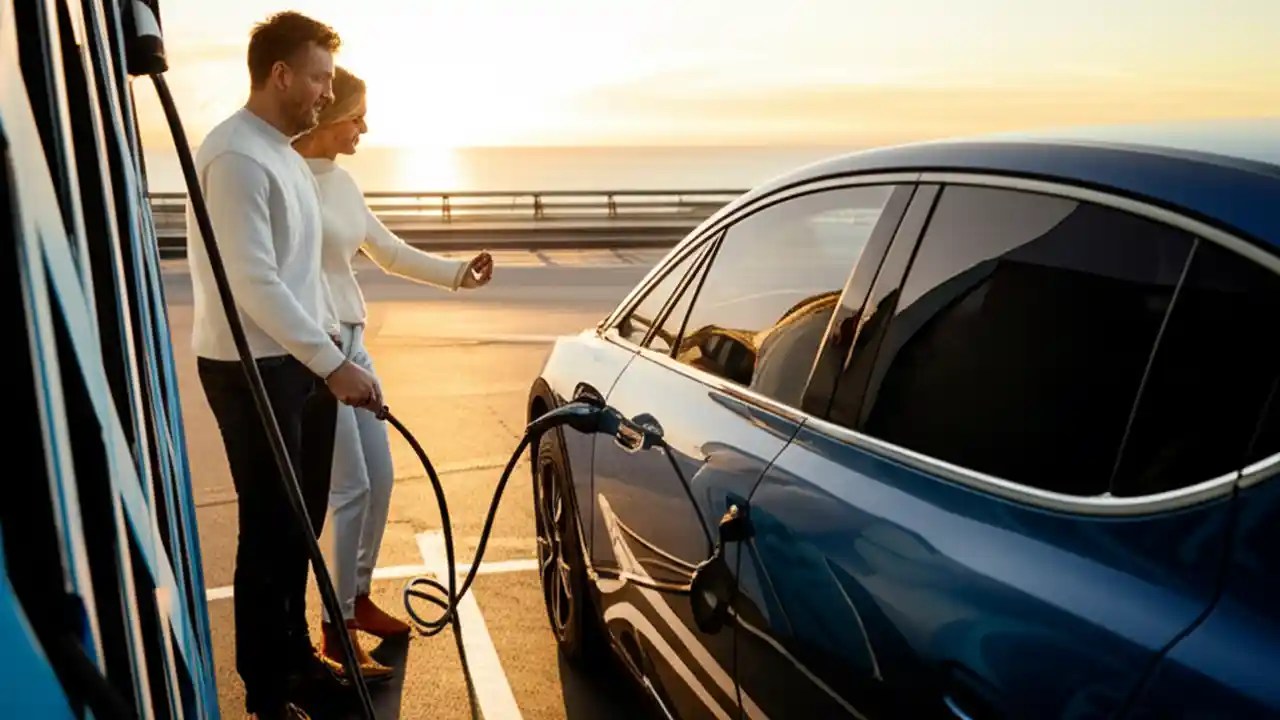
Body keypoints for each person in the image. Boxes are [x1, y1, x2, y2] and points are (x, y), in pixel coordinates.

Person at [187, 12, 381, 720]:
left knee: (299, 522)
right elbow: (255, 284)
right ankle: (266, 690)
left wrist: (332, 353)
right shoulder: (236, 156)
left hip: (298, 363)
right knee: (269, 527)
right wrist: (333, 363)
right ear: (281, 75)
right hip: (253, 371)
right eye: (321, 78)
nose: (328, 94)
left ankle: (294, 657)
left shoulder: (283, 152)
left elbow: (300, 276)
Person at [291, 66, 494, 678]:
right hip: (320, 353)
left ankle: (356, 598)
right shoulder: (287, 178)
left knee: (379, 480)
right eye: (357, 117)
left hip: (357, 343)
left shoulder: (343, 182)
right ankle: (335, 628)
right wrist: (324, 356)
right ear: (330, 116)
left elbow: (388, 250)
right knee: (348, 490)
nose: (364, 127)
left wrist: (460, 273)